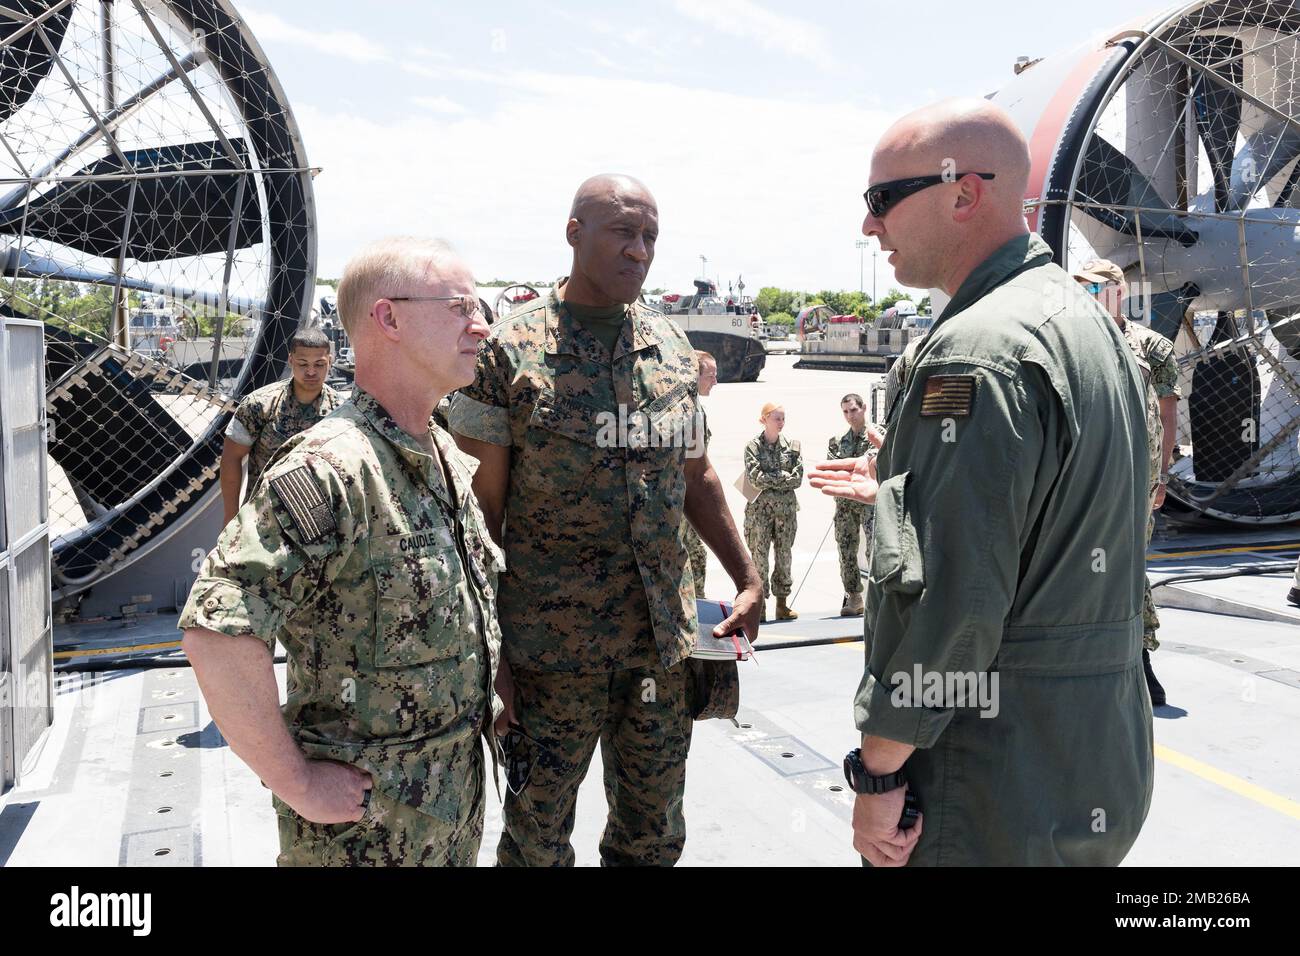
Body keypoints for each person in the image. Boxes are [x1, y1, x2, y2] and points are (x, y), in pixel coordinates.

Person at [809, 97, 1153, 866]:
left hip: (991, 782)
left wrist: (879, 768)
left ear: (964, 193)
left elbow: (957, 602)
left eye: (883, 200)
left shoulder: (977, 350)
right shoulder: (1082, 320)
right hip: (1089, 760)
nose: (870, 226)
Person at [449, 174, 762, 867]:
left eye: (650, 236)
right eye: (623, 231)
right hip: (548, 652)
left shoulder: (673, 348)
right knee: (536, 836)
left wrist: (747, 574)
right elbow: (479, 513)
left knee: (653, 835)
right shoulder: (507, 353)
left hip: (658, 643)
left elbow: (696, 473)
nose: (639, 250)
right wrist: (490, 649)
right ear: (574, 234)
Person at [179, 238, 502, 866]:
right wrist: (296, 782)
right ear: (389, 318)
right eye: (461, 306)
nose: (481, 325)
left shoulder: (442, 456)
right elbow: (215, 632)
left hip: (448, 819)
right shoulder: (333, 468)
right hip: (363, 839)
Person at [1074, 257, 1179, 707]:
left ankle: (1139, 655)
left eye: (1096, 289)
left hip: (1136, 476)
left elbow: (1168, 411)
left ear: (1119, 292)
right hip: (1084, 474)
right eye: (1082, 289)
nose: (1088, 297)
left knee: (1129, 563)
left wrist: (1162, 475)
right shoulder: (1071, 343)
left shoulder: (1151, 347)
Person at [220, 327, 342, 525]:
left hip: (318, 522)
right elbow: (231, 458)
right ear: (291, 360)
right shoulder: (259, 405)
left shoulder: (341, 412)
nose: (311, 371)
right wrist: (231, 517)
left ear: (330, 361)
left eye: (319, 364)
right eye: (303, 364)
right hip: (263, 518)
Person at [744, 402, 803, 622]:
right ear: (765, 419)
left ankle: (782, 604)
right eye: (777, 418)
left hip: (786, 513)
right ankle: (760, 606)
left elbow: (797, 479)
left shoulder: (793, 446)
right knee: (759, 558)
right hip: (760, 512)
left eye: (783, 418)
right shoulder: (753, 447)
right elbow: (754, 479)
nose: (781, 423)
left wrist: (771, 480)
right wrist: (782, 478)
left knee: (784, 556)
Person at [828, 393, 874, 616]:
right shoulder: (837, 441)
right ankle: (853, 597)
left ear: (863, 408)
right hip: (846, 504)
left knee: (874, 549)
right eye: (845, 411)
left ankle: (876, 597)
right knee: (846, 549)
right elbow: (833, 469)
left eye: (853, 410)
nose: (850, 416)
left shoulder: (876, 436)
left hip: (869, 503)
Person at [682, 350, 718, 591]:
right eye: (711, 376)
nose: (715, 382)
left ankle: (699, 601)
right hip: (682, 498)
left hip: (691, 497)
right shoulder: (687, 409)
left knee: (697, 555)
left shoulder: (697, 408)